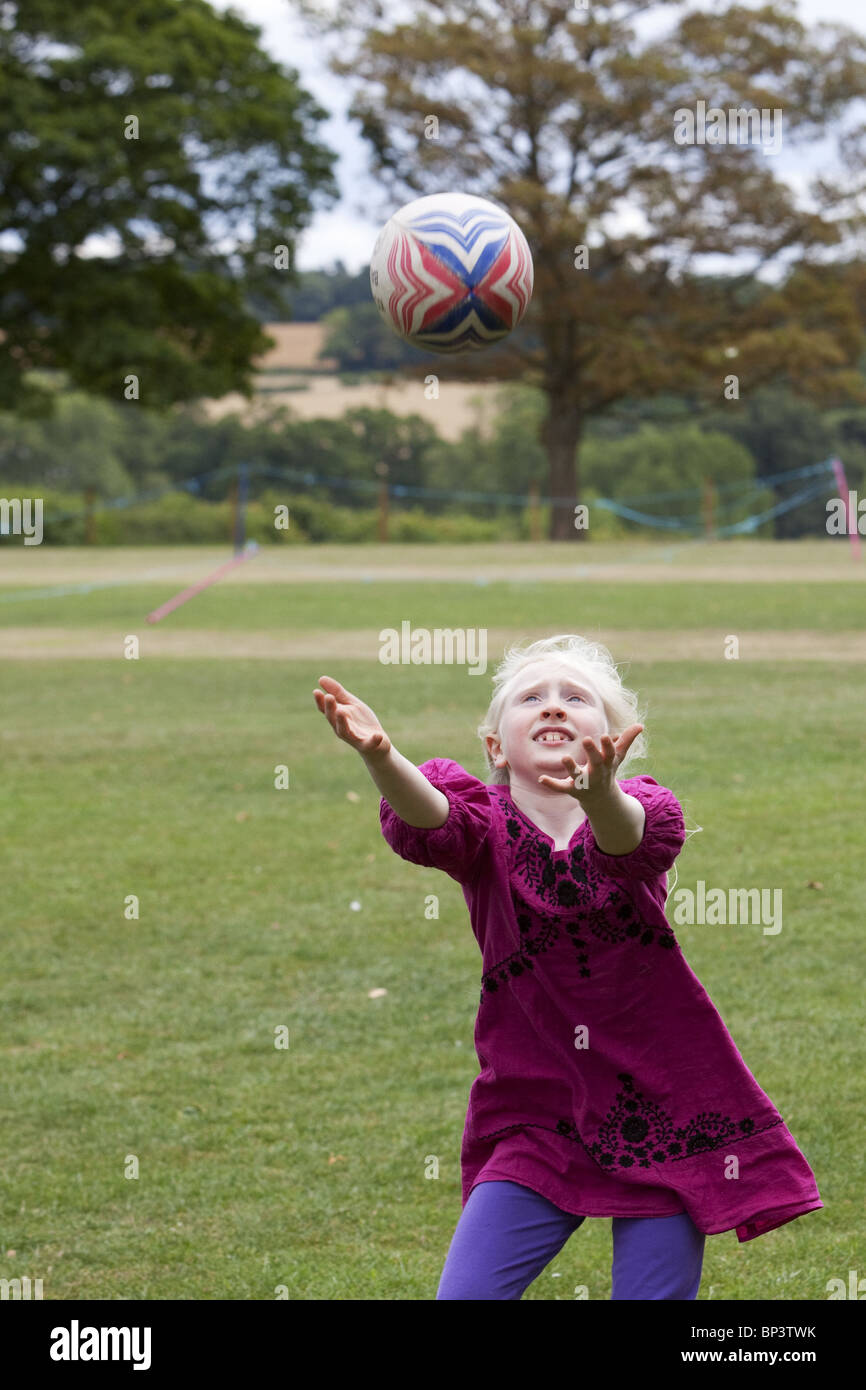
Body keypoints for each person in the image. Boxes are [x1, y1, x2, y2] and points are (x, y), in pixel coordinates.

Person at [312, 634, 822, 1300]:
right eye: (531, 697)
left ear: (615, 739)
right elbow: (428, 817)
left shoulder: (637, 813)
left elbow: (625, 839)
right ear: (497, 746)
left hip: (661, 1111)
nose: (552, 707)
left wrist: (599, 793)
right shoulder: (480, 828)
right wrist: (382, 757)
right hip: (535, 1109)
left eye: (574, 698)